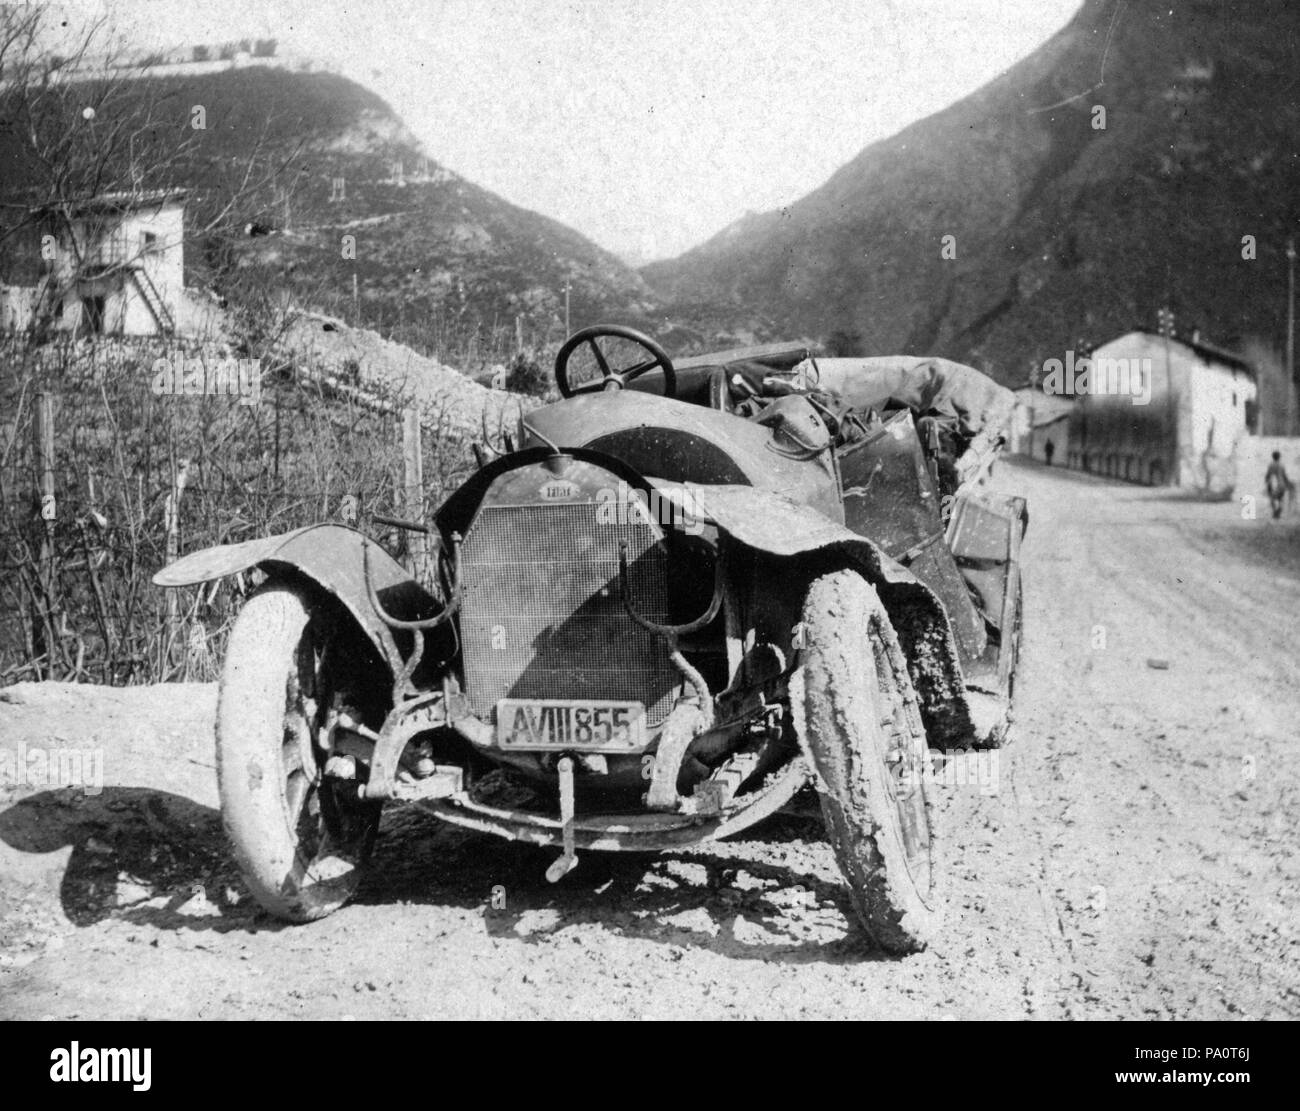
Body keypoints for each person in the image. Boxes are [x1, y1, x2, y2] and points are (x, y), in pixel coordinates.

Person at [1265, 451, 1293, 518]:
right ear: (1279, 457)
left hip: (1273, 484)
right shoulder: (1282, 465)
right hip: (1282, 484)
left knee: (1272, 499)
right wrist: (1288, 483)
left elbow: (1268, 475)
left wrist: (1266, 481)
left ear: (1272, 457)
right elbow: (1285, 476)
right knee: (1280, 499)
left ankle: (1275, 511)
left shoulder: (1271, 465)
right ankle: (1279, 510)